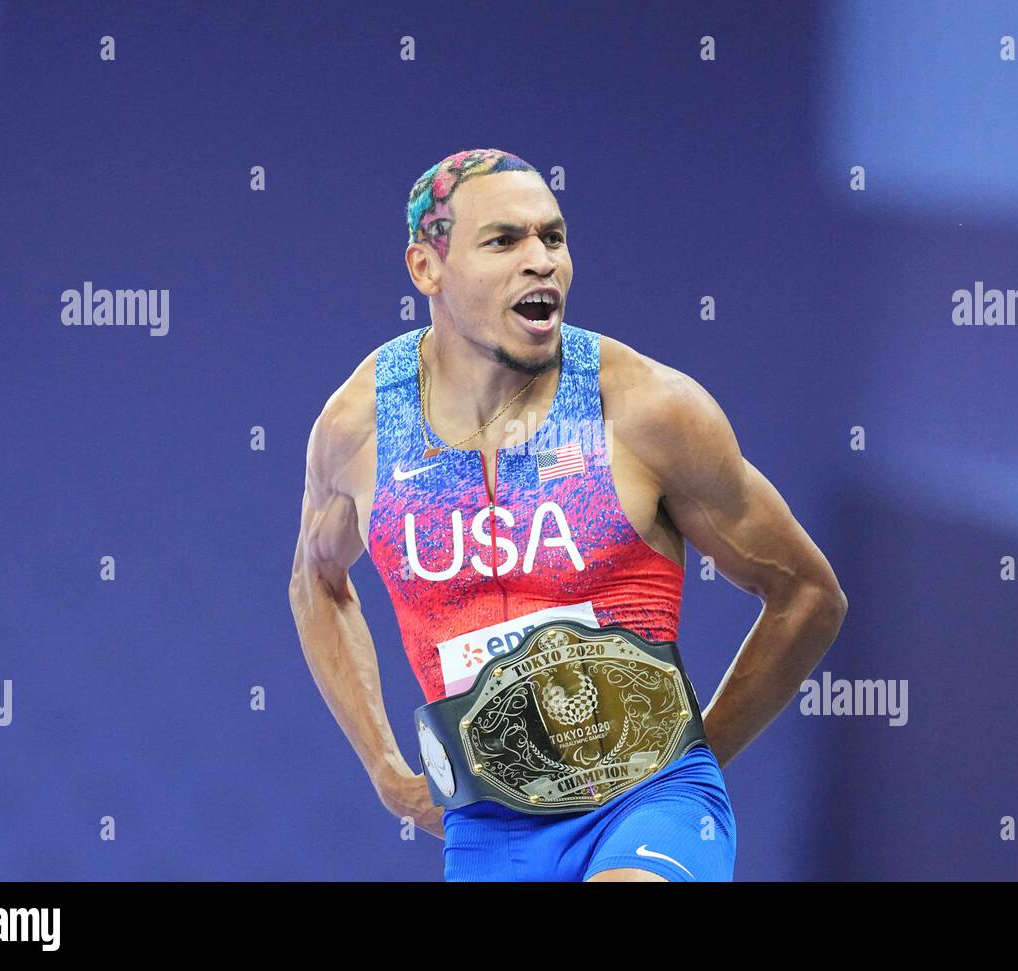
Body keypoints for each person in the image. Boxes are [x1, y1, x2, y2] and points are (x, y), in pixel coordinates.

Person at [288, 148, 847, 881]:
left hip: (647, 803)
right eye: (504, 240)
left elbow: (809, 594)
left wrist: (693, 751)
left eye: (552, 237)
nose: (541, 261)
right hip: (490, 830)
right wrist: (387, 770)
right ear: (427, 268)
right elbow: (315, 584)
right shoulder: (359, 427)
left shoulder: (648, 408)